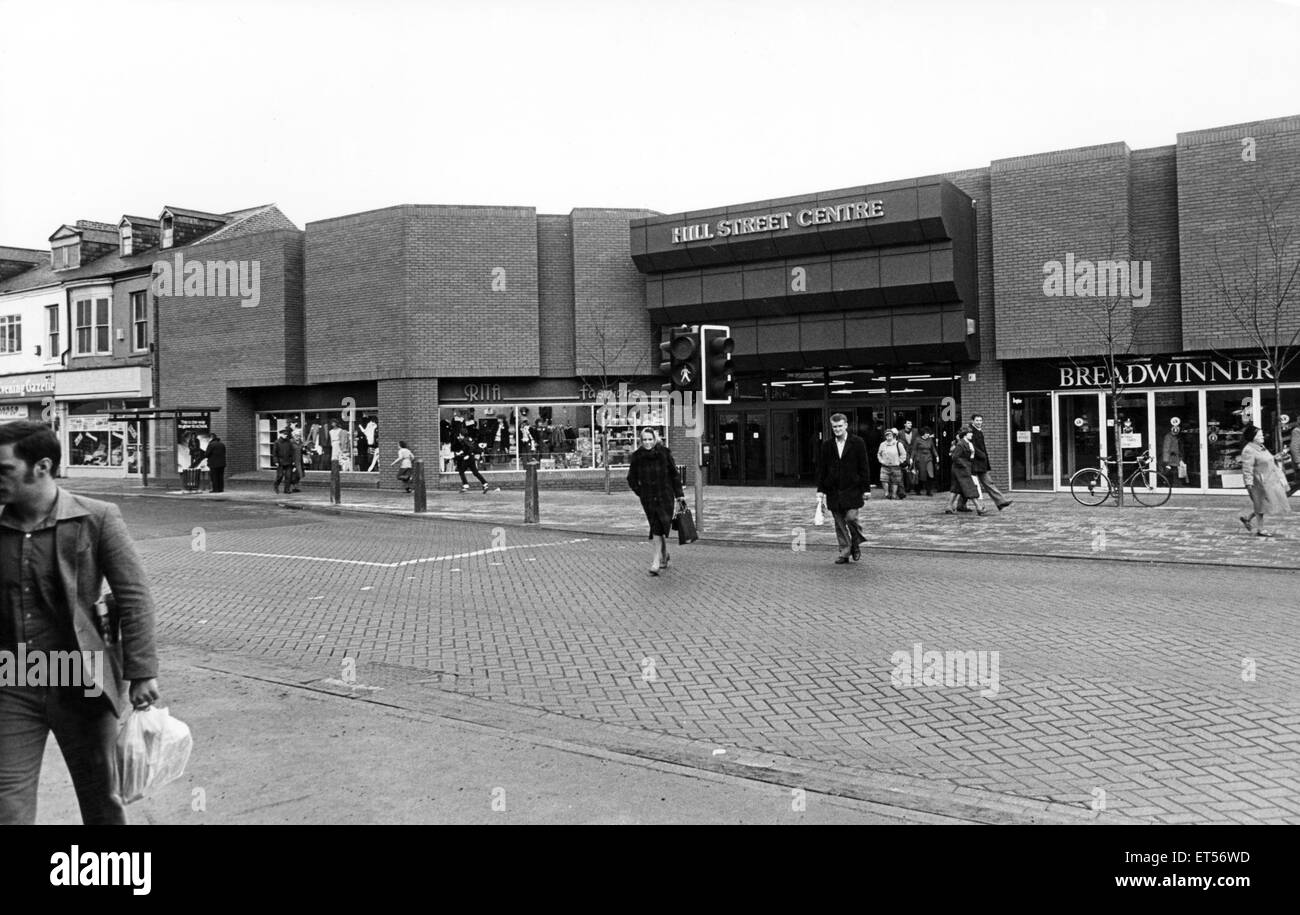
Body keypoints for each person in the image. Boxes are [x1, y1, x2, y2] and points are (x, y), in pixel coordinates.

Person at [0, 421, 160, 824]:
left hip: (79, 679)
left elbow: (134, 595)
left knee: (101, 796)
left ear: (42, 466)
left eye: (4, 470)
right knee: (7, 802)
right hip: (12, 680)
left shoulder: (97, 517)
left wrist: (142, 672)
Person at [626, 427, 685, 576]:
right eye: (644, 440)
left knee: (659, 526)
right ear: (641, 441)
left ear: (655, 439)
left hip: (665, 496)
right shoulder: (637, 457)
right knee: (656, 526)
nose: (647, 442)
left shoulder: (664, 453)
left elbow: (674, 475)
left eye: (650, 439)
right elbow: (631, 478)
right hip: (648, 498)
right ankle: (662, 557)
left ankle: (657, 560)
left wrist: (679, 495)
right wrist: (641, 492)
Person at [816, 412, 870, 564]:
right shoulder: (827, 445)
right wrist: (820, 490)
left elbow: (864, 466)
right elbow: (822, 469)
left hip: (853, 489)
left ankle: (856, 541)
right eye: (834, 427)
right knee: (839, 524)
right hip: (833, 490)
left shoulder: (857, 442)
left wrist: (866, 489)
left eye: (840, 426)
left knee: (851, 518)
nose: (837, 429)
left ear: (846, 425)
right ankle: (845, 552)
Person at [1238, 423, 1291, 538]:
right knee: (1261, 504)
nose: (1263, 436)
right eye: (1260, 435)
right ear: (1253, 437)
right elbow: (1247, 469)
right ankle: (1260, 529)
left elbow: (1267, 459)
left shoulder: (1261, 447)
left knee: (1265, 503)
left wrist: (1278, 456)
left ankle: (1247, 518)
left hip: (1269, 480)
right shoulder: (1249, 450)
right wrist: (1248, 484)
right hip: (1258, 482)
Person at [966, 414, 1013, 511]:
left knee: (986, 482)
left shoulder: (979, 431)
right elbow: (971, 446)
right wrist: (982, 455)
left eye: (980, 420)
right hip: (975, 462)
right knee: (972, 484)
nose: (979, 422)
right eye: (977, 420)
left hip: (980, 463)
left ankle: (1001, 502)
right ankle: (1000, 501)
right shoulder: (971, 432)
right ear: (972, 421)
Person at [946, 425, 989, 515]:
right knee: (970, 487)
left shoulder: (968, 443)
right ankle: (979, 507)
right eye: (970, 433)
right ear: (965, 434)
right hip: (960, 470)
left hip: (964, 469)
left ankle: (949, 507)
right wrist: (964, 465)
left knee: (956, 489)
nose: (972, 434)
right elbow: (955, 457)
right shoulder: (961, 444)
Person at [877, 428, 909, 500]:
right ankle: (887, 493)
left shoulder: (898, 444)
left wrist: (900, 461)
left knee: (895, 481)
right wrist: (881, 461)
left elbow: (903, 454)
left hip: (895, 466)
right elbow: (879, 454)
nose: (888, 436)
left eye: (890, 435)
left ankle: (894, 494)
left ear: (893, 435)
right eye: (887, 435)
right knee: (884, 479)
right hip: (885, 465)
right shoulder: (882, 444)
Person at [453, 429, 489, 493]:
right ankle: (485, 484)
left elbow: (468, 448)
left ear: (461, 434)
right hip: (472, 457)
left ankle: (465, 485)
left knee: (461, 471)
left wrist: (466, 454)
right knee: (475, 472)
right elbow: (472, 447)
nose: (459, 436)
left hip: (468, 458)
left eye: (460, 434)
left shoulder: (464, 440)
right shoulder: (469, 439)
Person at [910, 426, 938, 496]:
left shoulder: (930, 440)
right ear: (923, 434)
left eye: (929, 433)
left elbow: (933, 448)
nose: (928, 435)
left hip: (928, 458)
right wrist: (911, 458)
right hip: (920, 459)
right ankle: (918, 490)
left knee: (930, 474)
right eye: (927, 433)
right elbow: (914, 450)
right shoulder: (917, 440)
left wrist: (937, 456)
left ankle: (929, 491)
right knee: (921, 475)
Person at [273, 427, 300, 494]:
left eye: (286, 434)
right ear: (281, 434)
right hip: (280, 461)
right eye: (284, 434)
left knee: (288, 476)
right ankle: (276, 485)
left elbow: (292, 452)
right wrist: (276, 461)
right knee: (280, 476)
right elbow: (274, 453)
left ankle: (286, 489)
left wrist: (293, 460)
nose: (285, 435)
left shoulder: (289, 442)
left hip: (288, 461)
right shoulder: (277, 442)